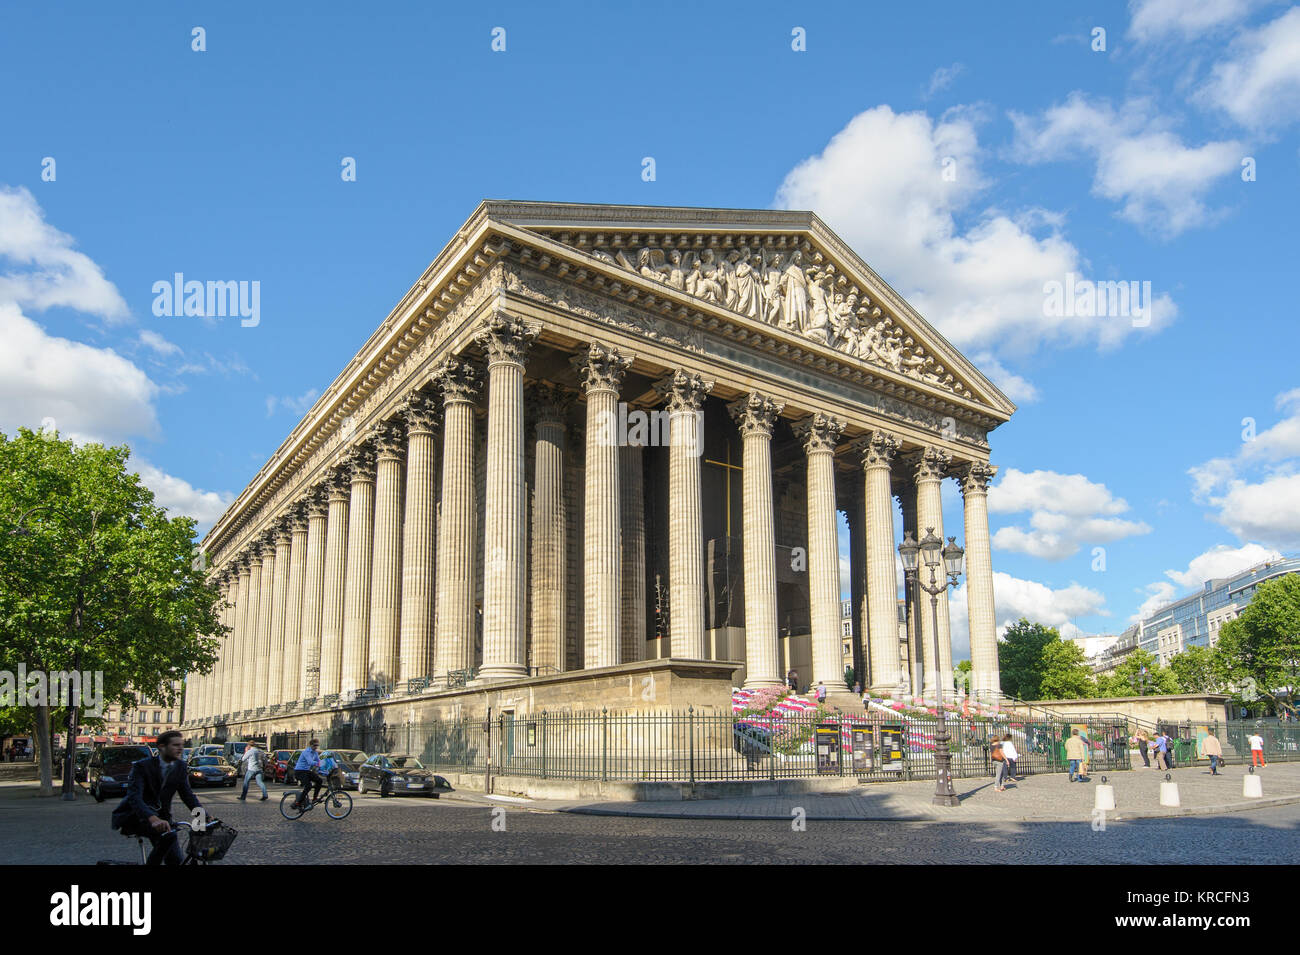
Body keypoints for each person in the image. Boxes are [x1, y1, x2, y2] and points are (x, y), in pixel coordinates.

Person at [110, 729, 208, 865]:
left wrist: (204, 816)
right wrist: (152, 818)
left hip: (163, 818)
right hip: (136, 816)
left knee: (175, 860)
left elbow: (188, 796)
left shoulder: (180, 767)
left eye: (181, 745)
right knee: (169, 836)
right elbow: (134, 797)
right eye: (175, 745)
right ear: (162, 747)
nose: (180, 749)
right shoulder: (142, 767)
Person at [292, 739, 323, 809]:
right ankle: (298, 802)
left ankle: (314, 798)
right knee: (308, 786)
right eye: (315, 745)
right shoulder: (306, 752)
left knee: (319, 780)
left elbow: (319, 760)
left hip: (306, 771)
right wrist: (318, 764)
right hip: (299, 771)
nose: (316, 747)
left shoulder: (315, 752)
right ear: (311, 745)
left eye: (317, 745)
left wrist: (324, 768)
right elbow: (310, 762)